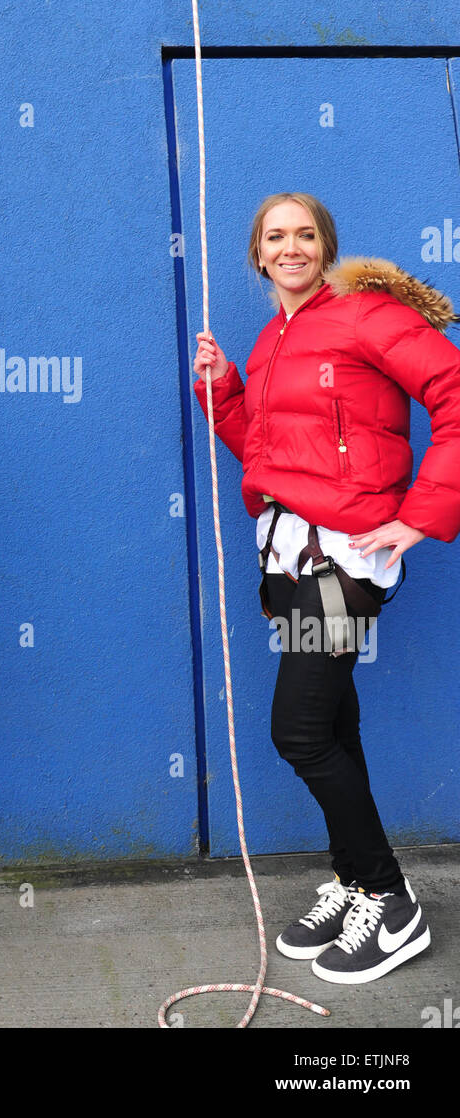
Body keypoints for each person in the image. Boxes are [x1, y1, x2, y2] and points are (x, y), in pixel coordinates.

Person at [191, 191, 460, 985]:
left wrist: (422, 515)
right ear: (257, 255)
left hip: (345, 568)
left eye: (306, 234)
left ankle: (390, 899)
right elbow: (270, 457)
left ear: (326, 246)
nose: (291, 247)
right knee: (333, 729)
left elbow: (453, 393)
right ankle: (353, 879)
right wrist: (226, 389)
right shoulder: (275, 336)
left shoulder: (365, 313)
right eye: (276, 237)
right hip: (290, 565)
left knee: (299, 732)